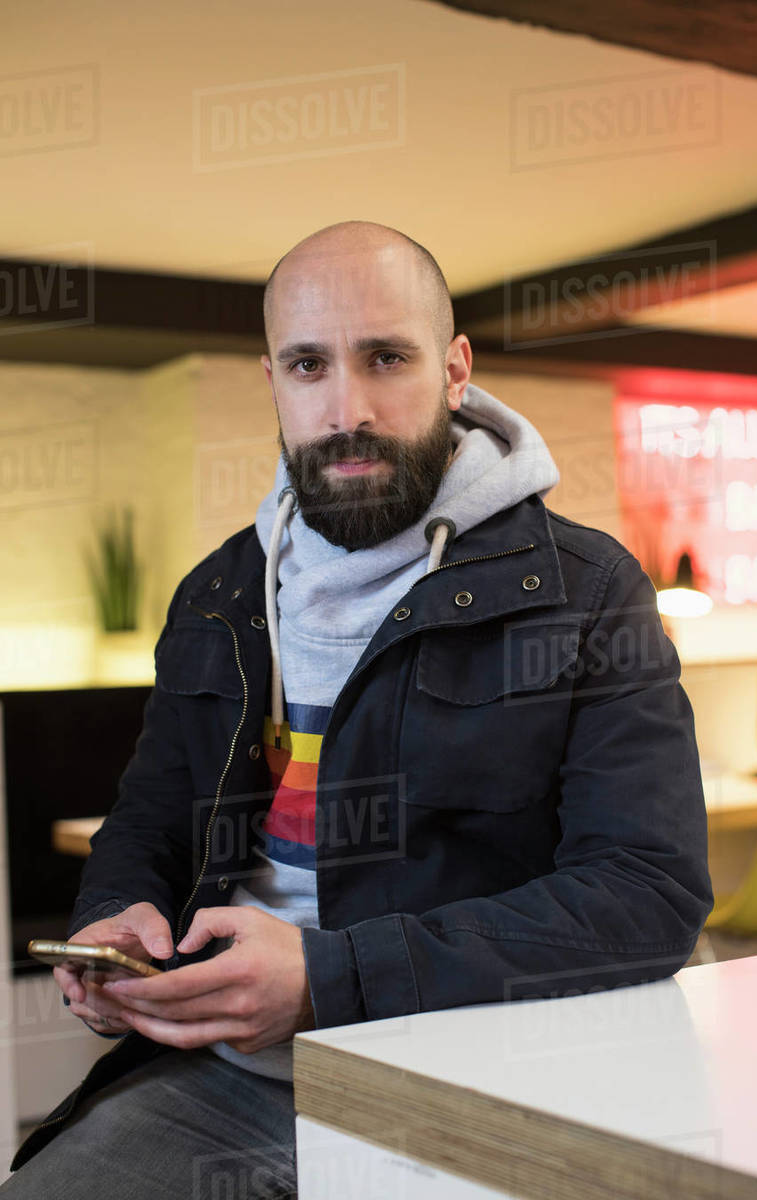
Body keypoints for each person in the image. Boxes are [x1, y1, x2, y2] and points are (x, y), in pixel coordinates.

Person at [4, 221, 713, 1198]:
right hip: (223, 1084)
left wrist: (329, 978)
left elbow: (645, 894)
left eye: (386, 357)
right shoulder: (217, 594)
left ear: (454, 370)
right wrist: (116, 917)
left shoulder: (585, 590)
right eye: (308, 365)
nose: (348, 407)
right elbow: (150, 823)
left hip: (475, 1085)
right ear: (274, 382)